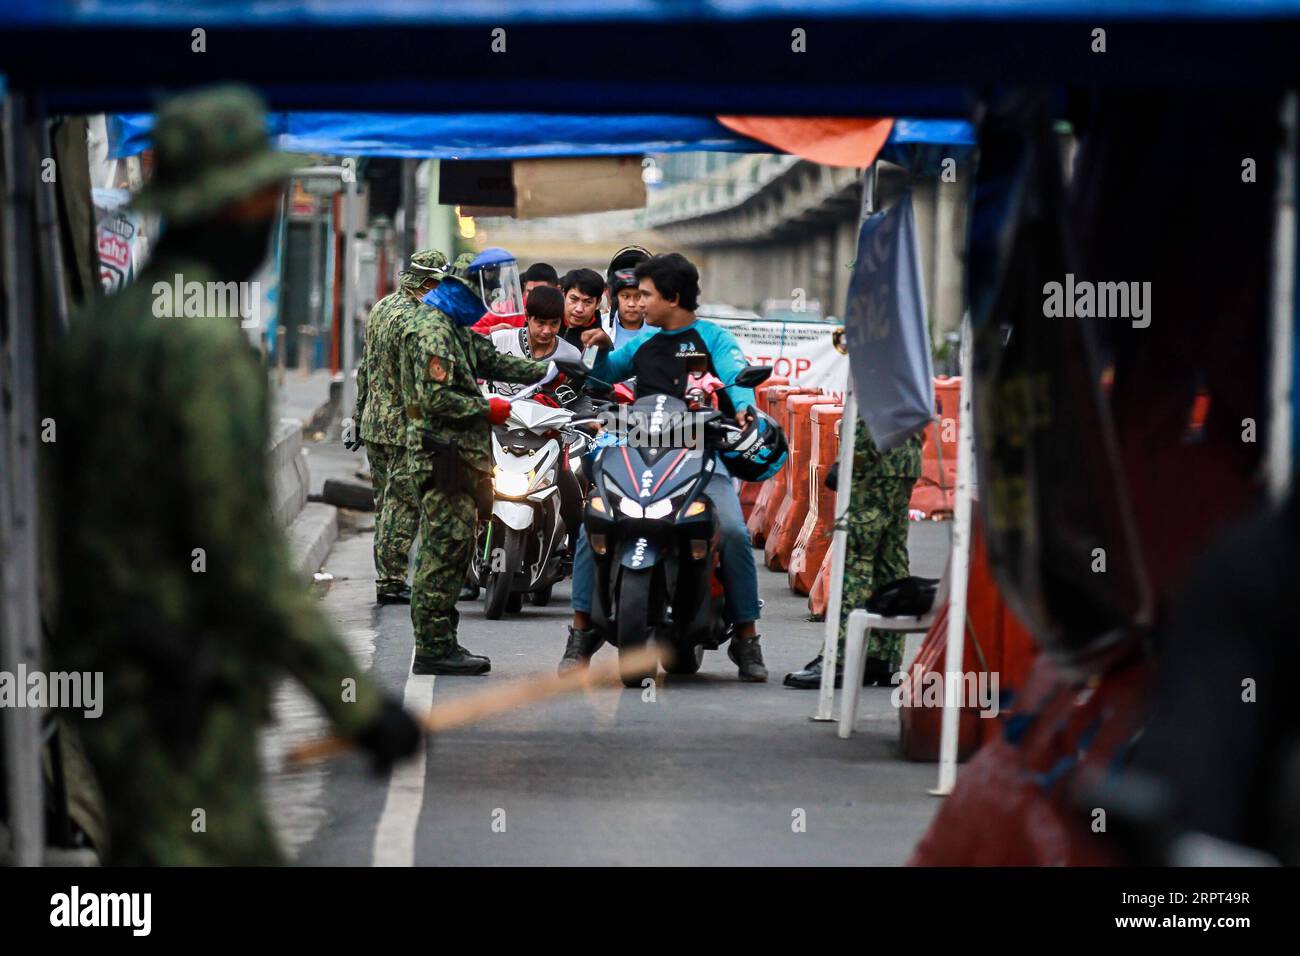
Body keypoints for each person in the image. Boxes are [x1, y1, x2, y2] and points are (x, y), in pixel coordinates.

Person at [46, 84, 421, 865]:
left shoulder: (101, 331)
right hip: (177, 686)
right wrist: (348, 702)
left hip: (101, 670)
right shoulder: (204, 348)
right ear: (237, 205)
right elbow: (240, 558)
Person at [557, 252, 769, 682]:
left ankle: (746, 637)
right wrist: (596, 351)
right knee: (593, 521)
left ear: (672, 297)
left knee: (730, 530)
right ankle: (580, 632)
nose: (637, 303)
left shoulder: (714, 340)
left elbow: (735, 376)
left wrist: (744, 410)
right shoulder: (642, 344)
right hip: (639, 457)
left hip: (701, 462)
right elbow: (602, 378)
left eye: (647, 295)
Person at [399, 247, 556, 675]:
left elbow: (490, 359)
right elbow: (436, 398)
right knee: (441, 551)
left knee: (455, 548)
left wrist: (546, 369)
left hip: (461, 456)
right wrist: (490, 410)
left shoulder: (454, 327)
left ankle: (442, 642)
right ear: (469, 288)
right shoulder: (433, 330)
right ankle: (432, 648)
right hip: (441, 453)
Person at [784, 417, 923, 688]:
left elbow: (872, 411)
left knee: (855, 560)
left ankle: (840, 659)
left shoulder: (876, 372)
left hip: (872, 463)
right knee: (890, 562)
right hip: (903, 460)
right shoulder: (910, 374)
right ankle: (883, 658)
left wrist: (849, 459)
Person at [350, 248, 450, 604]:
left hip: (375, 423)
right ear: (426, 283)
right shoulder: (415, 320)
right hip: (404, 427)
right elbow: (420, 383)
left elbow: (366, 369)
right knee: (403, 504)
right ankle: (391, 580)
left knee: (385, 503)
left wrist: (357, 416)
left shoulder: (381, 308)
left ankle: (387, 573)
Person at [488, 285, 586, 548]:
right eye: (540, 323)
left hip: (546, 440)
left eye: (554, 324)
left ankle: (575, 552)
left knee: (571, 491)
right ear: (527, 318)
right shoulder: (499, 341)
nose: (546, 331)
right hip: (496, 434)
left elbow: (578, 398)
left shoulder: (571, 356)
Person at [601, 246, 652, 349]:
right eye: (625, 296)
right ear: (615, 297)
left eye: (638, 296)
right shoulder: (599, 328)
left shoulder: (664, 330)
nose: (631, 304)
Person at [559, 267, 606, 350]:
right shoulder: (545, 325)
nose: (579, 309)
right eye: (574, 299)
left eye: (587, 302)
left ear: (598, 303)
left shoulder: (598, 342)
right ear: (563, 295)